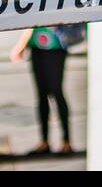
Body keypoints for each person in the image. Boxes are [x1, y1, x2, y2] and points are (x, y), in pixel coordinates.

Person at [10, 24, 80, 156]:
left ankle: (66, 142)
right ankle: (44, 142)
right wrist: (23, 45)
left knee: (56, 92)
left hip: (56, 44)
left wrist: (20, 46)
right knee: (42, 95)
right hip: (37, 45)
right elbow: (31, 21)